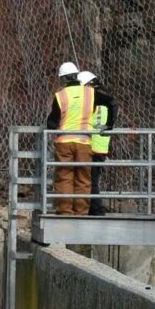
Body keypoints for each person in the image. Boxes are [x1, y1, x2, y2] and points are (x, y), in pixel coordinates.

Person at [46, 62, 95, 216]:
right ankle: (81, 212)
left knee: (64, 177)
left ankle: (65, 211)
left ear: (63, 79)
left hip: (64, 143)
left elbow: (52, 122)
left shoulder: (60, 96)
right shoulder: (91, 93)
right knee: (83, 178)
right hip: (84, 142)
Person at [79, 71, 113, 216]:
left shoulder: (92, 101)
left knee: (90, 181)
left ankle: (97, 211)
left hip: (92, 144)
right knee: (92, 180)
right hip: (101, 146)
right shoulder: (106, 99)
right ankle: (94, 210)